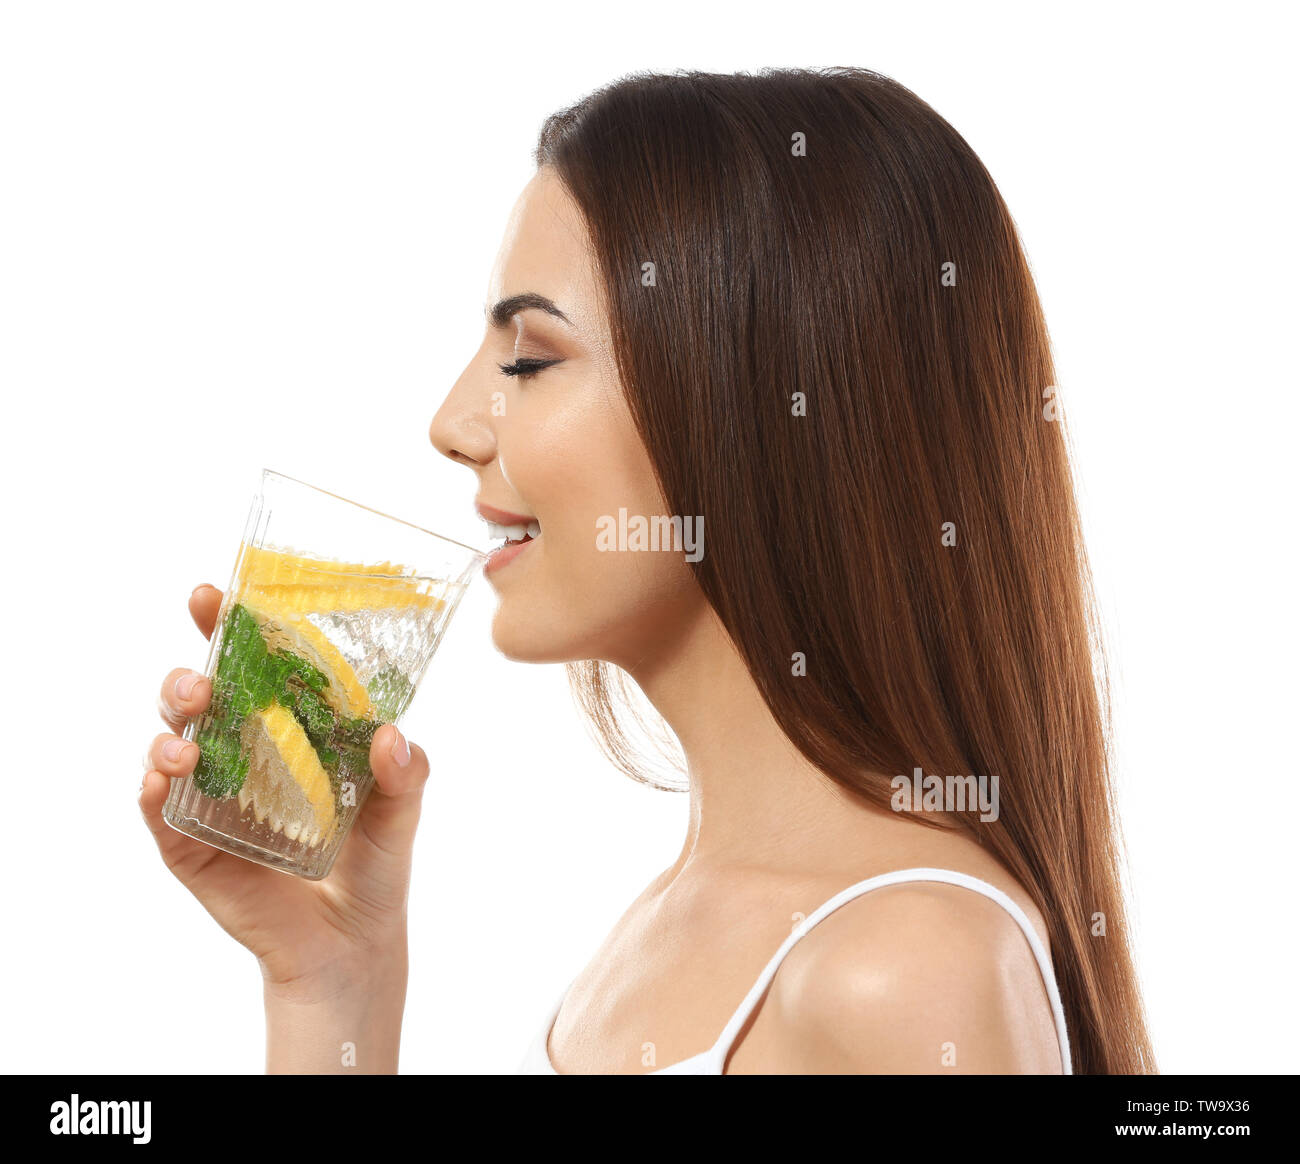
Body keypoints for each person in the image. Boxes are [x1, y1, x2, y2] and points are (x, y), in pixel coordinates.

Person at [140, 68, 1154, 1074]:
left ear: (752, 409)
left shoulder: (901, 973)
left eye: (531, 358)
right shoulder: (677, 919)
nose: (451, 425)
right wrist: (333, 986)